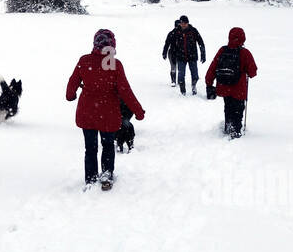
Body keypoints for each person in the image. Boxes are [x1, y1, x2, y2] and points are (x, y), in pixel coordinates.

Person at [66, 28, 144, 190]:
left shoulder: (84, 61)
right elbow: (125, 91)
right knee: (108, 144)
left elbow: (72, 83)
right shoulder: (115, 65)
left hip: (87, 113)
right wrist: (138, 111)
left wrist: (71, 95)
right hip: (108, 114)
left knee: (90, 147)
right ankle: (107, 173)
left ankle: (91, 177)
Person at [205, 26, 258, 138]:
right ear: (243, 38)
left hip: (224, 87)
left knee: (228, 107)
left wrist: (209, 82)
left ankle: (228, 126)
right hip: (239, 89)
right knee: (238, 110)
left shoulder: (222, 50)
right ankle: (236, 130)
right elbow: (253, 72)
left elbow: (213, 67)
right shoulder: (245, 53)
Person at [161, 15, 206, 94]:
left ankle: (194, 86)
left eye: (185, 23)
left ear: (188, 23)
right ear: (180, 23)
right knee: (181, 75)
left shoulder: (193, 31)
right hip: (181, 56)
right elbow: (168, 42)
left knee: (195, 74)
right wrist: (165, 52)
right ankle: (182, 89)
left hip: (192, 56)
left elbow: (200, 42)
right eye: (182, 23)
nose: (183, 25)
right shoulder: (175, 31)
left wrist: (203, 54)